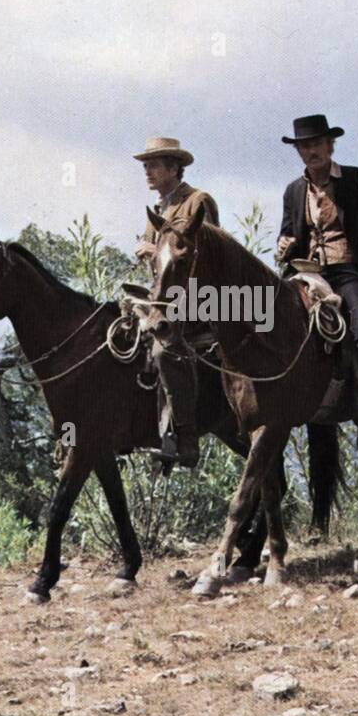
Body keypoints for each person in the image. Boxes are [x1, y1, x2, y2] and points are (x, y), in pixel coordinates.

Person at [276, 114, 358, 453]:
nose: (310, 151)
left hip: (349, 271)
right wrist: (284, 244)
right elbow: (288, 231)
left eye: (316, 144)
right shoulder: (293, 191)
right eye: (304, 146)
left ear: (330, 145)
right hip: (306, 273)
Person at [132, 137, 218, 468]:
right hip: (164, 299)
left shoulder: (198, 202)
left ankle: (183, 437)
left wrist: (155, 252)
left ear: (173, 168)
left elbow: (208, 257)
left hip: (197, 299)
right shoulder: (158, 209)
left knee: (162, 348)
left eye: (154, 165)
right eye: (145, 166)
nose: (147, 172)